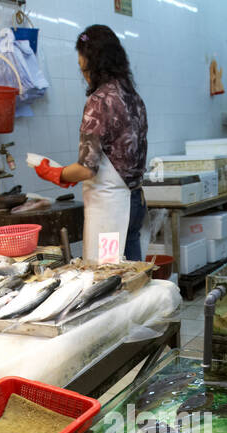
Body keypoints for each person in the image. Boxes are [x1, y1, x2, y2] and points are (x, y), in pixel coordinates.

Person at [33, 25, 149, 262]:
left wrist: (58, 174)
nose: (83, 73)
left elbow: (86, 168)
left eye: (82, 66)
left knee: (110, 278)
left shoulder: (99, 101)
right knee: (134, 278)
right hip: (135, 201)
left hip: (111, 212)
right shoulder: (133, 97)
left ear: (93, 64)